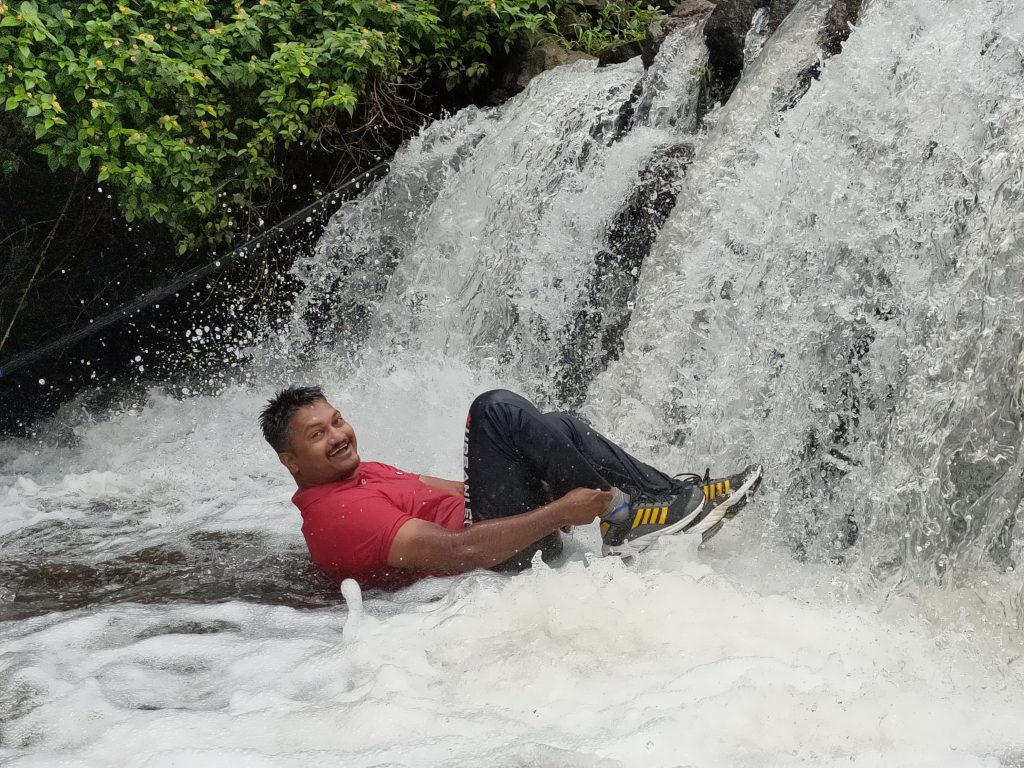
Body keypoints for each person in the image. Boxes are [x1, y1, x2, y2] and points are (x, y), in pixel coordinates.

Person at [259, 387, 762, 589]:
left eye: (337, 421)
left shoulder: (361, 474)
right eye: (317, 434)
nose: (339, 436)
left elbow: (462, 488)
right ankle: (627, 514)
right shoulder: (339, 516)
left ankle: (670, 501)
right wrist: (560, 509)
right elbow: (460, 552)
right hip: (494, 563)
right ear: (291, 460)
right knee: (493, 410)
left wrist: (544, 469)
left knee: (557, 425)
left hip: (500, 535)